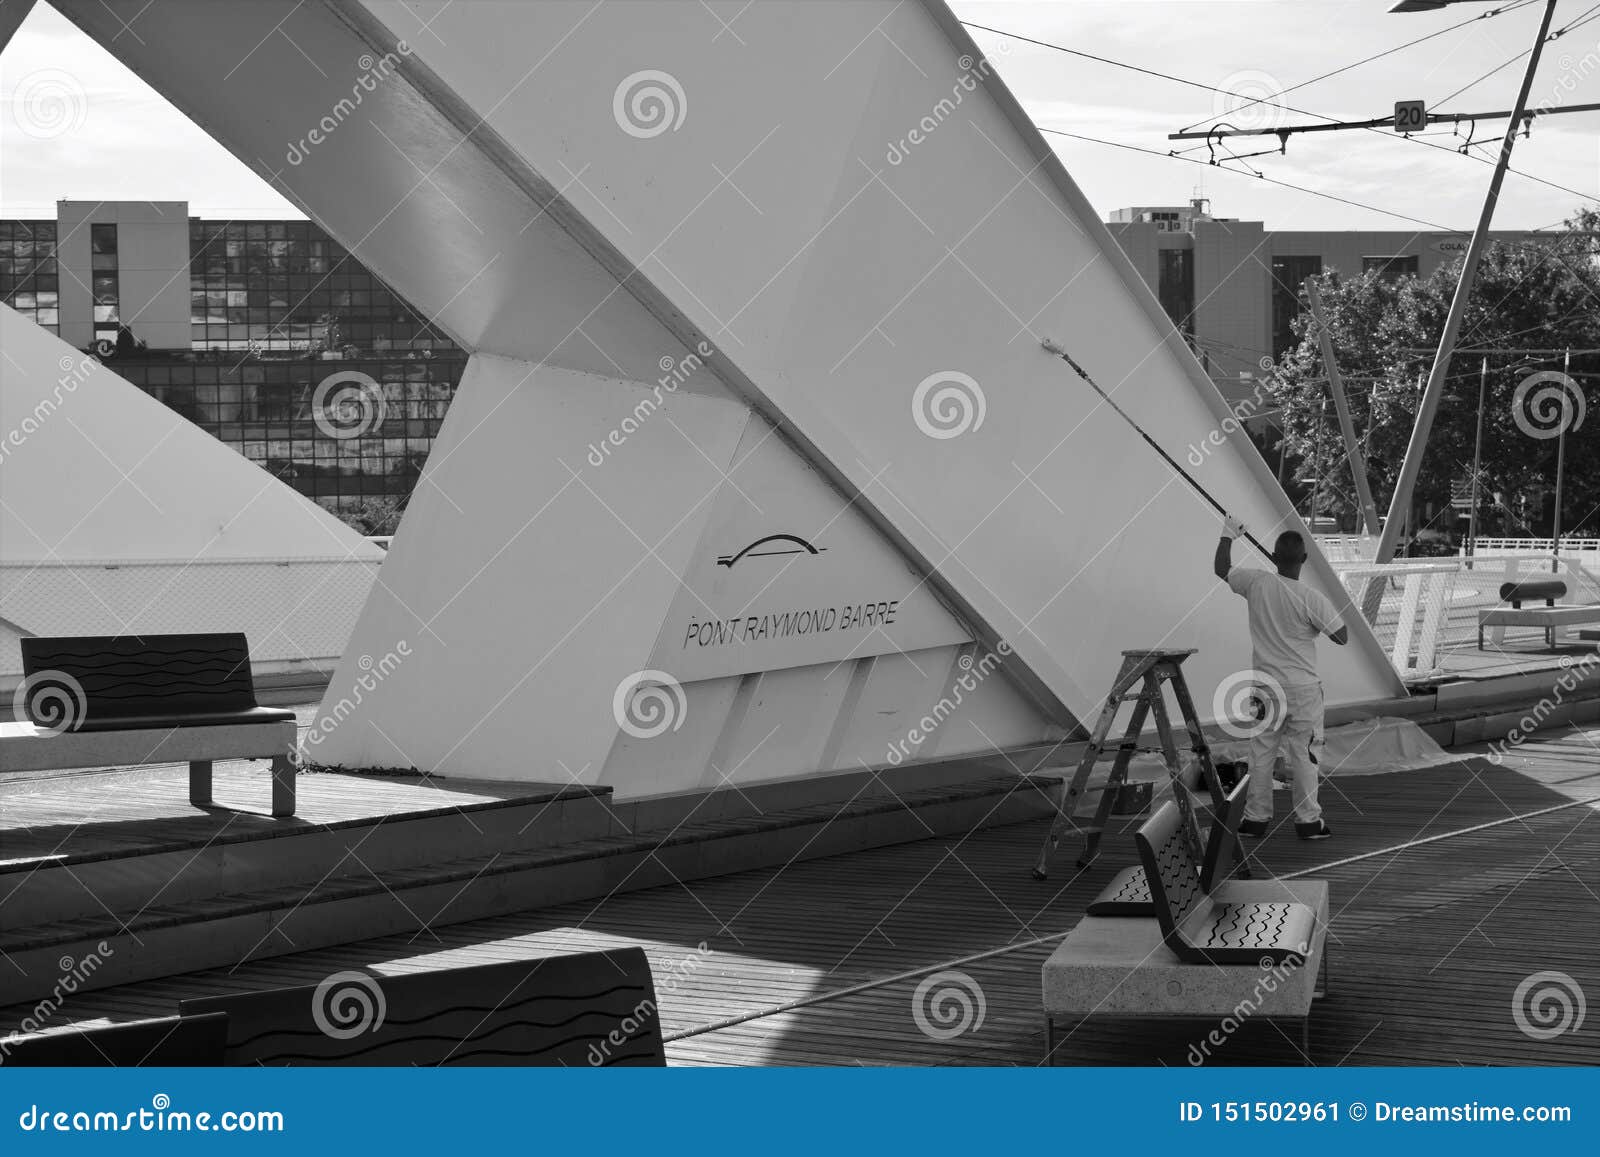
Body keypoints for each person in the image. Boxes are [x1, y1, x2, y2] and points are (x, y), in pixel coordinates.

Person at [1213, 515, 1347, 840]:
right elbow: (1341, 637)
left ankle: (1255, 820)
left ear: (1273, 557)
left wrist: (1228, 535)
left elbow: (1222, 569)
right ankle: (1308, 822)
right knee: (1304, 754)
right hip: (1303, 689)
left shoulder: (1256, 583)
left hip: (1266, 686)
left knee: (1261, 752)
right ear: (1303, 559)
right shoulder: (1311, 598)